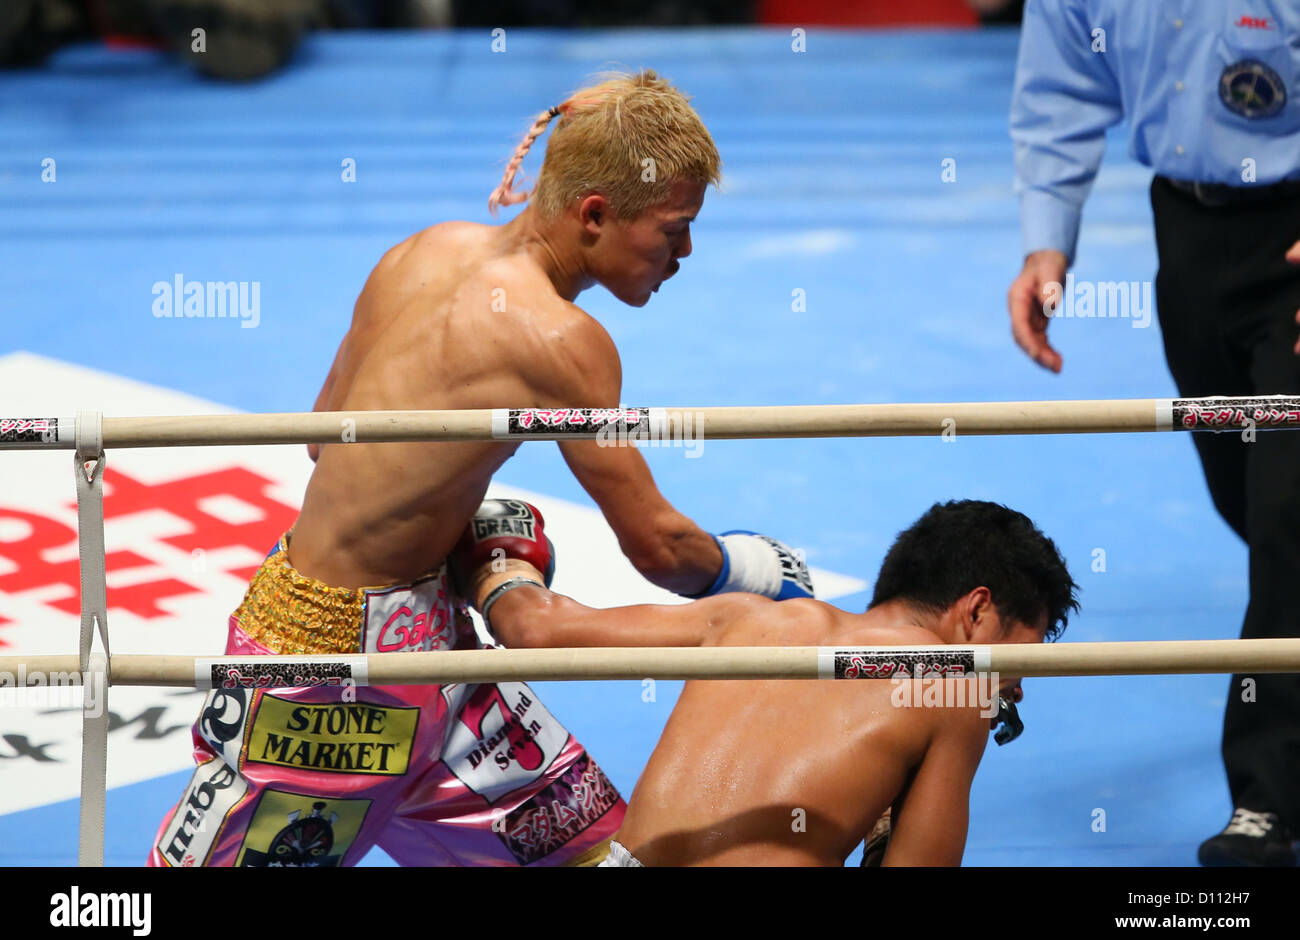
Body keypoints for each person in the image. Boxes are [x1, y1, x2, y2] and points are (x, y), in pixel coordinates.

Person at [147, 69, 814, 868]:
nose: (687, 252)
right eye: (673, 230)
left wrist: (455, 517)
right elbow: (661, 551)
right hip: (331, 682)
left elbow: (327, 437)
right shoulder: (565, 342)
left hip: (436, 650)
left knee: (587, 856)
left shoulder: (422, 251)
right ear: (595, 214)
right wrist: (763, 575)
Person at [1007, 0, 1300, 866]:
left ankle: (1267, 798)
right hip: (1191, 241)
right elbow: (1059, 87)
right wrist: (1046, 243)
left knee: (1289, 516)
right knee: (1252, 507)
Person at [452, 498, 1079, 866]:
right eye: (1024, 656)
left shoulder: (746, 617)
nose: (1017, 688)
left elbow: (533, 628)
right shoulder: (955, 683)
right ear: (976, 612)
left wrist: (497, 557)